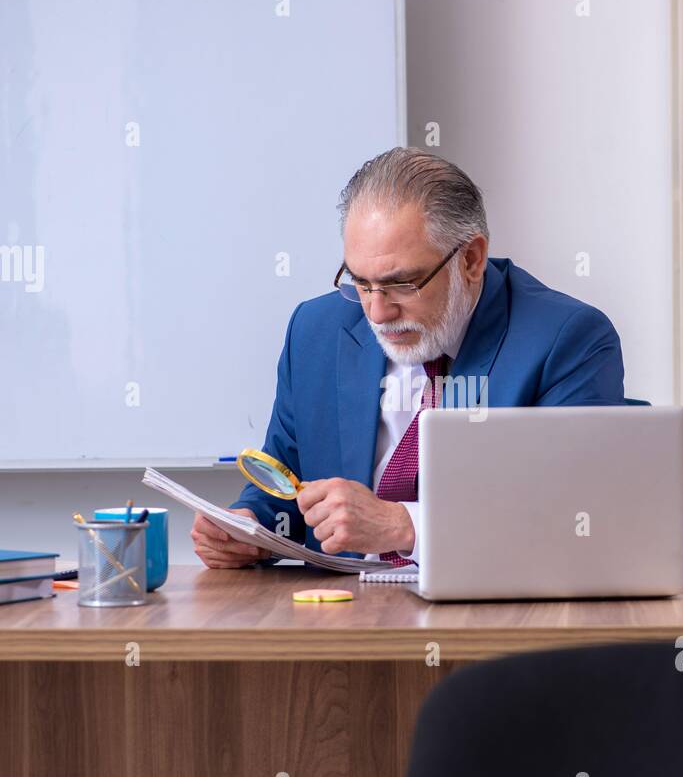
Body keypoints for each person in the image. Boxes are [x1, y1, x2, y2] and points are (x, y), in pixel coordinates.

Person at [192, 147, 624, 568]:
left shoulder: (568, 340)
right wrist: (248, 528)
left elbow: (575, 521)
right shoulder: (315, 330)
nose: (377, 313)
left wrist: (406, 526)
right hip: (341, 616)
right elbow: (282, 484)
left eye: (402, 284)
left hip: (494, 621)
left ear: (471, 259)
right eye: (360, 282)